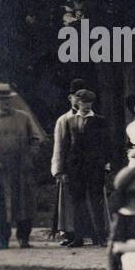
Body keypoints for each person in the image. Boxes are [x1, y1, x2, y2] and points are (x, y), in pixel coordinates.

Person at [0, 83, 42, 250]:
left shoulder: (23, 117)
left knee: (24, 203)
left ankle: (24, 238)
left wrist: (31, 154)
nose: (4, 103)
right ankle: (2, 240)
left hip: (21, 166)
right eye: (0, 100)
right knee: (0, 205)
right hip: (0, 169)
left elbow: (35, 138)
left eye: (7, 100)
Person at [63, 89, 110, 247]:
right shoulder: (69, 121)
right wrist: (64, 168)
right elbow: (66, 145)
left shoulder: (100, 120)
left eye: (89, 102)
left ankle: (100, 237)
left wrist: (105, 163)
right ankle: (78, 238)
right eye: (83, 102)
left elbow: (106, 144)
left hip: (95, 167)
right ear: (77, 102)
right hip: (75, 168)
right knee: (77, 202)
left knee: (96, 201)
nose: (86, 105)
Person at [50, 78, 88, 244]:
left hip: (88, 166)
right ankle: (70, 232)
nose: (80, 101)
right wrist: (59, 170)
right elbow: (59, 146)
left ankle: (90, 231)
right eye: (76, 97)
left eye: (83, 98)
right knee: (69, 200)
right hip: (70, 167)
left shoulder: (93, 118)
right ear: (70, 98)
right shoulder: (64, 120)